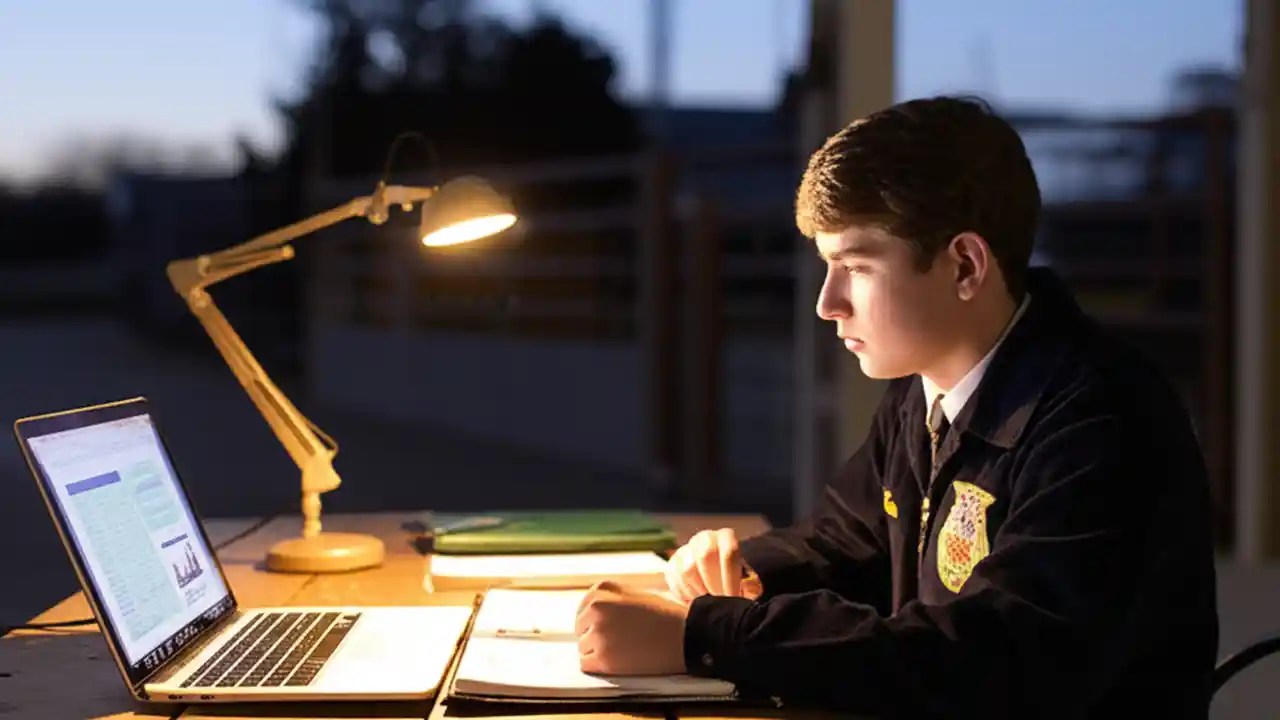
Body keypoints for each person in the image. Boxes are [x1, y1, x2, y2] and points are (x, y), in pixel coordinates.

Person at [573, 96, 1220, 717]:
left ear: (965, 265)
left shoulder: (1102, 421)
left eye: (855, 265)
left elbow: (998, 659)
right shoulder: (927, 390)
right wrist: (738, 574)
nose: (827, 303)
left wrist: (711, 635)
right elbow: (847, 544)